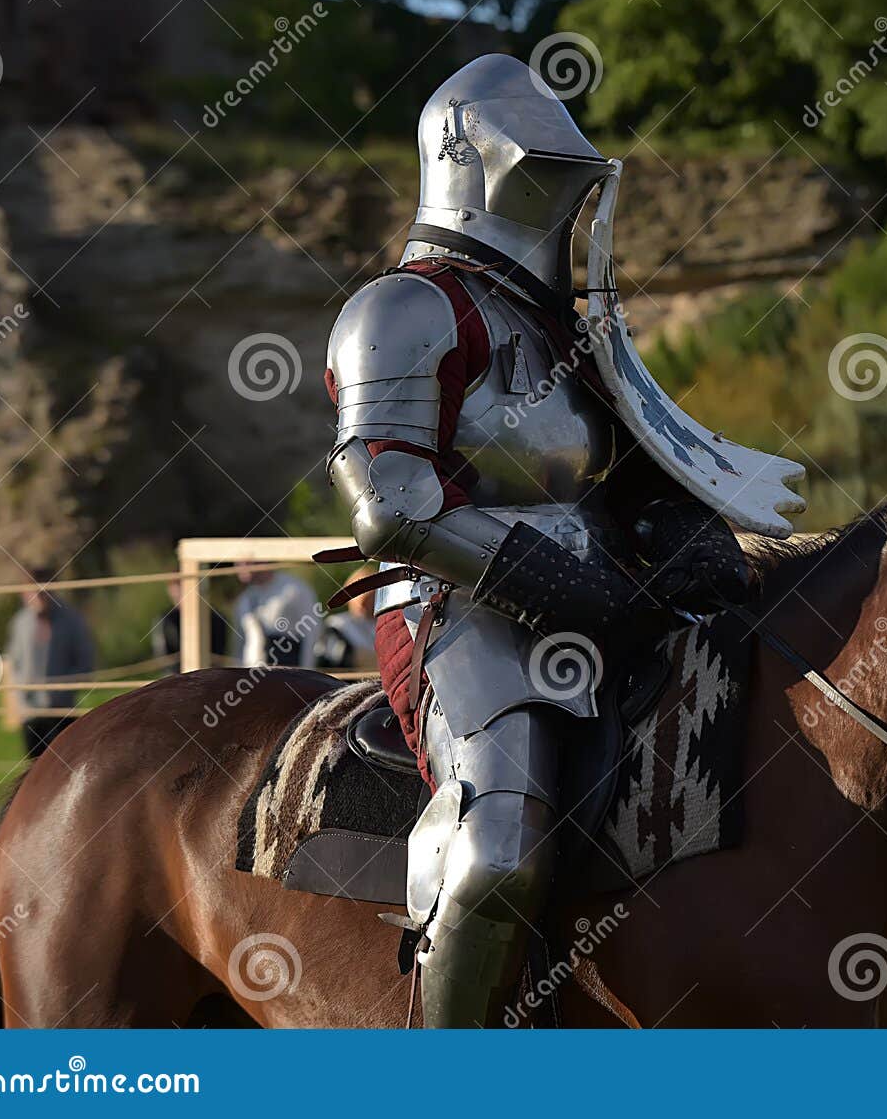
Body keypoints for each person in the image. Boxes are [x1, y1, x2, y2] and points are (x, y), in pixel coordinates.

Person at [323, 53, 804, 1027]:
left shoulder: (564, 332)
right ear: (477, 167)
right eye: (539, 175)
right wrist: (547, 576)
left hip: (603, 603)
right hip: (457, 610)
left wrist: (688, 541)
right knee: (503, 844)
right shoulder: (404, 308)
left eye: (566, 180)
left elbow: (633, 479)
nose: (556, 205)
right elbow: (387, 503)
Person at [5, 571, 96, 758]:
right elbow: (14, 664)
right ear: (24, 594)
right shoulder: (20, 623)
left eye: (44, 591)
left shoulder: (72, 621)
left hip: (63, 710)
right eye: (33, 592)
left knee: (64, 765)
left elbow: (85, 661)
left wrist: (65, 689)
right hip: (31, 712)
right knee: (34, 770)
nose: (39, 597)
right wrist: (21, 699)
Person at [230, 565, 320, 668]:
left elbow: (312, 632)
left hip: (288, 668)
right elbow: (239, 643)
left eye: (247, 560)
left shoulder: (294, 589)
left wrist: (307, 672)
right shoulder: (244, 598)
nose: (241, 565)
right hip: (253, 672)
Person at [150, 578, 230, 664]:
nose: (178, 600)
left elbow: (220, 653)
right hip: (177, 674)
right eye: (175, 597)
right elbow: (163, 657)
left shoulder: (216, 617)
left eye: (181, 594)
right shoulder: (166, 620)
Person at [312, 568, 378, 671]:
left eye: (370, 595)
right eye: (357, 594)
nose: (362, 601)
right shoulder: (337, 625)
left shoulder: (386, 625)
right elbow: (331, 659)